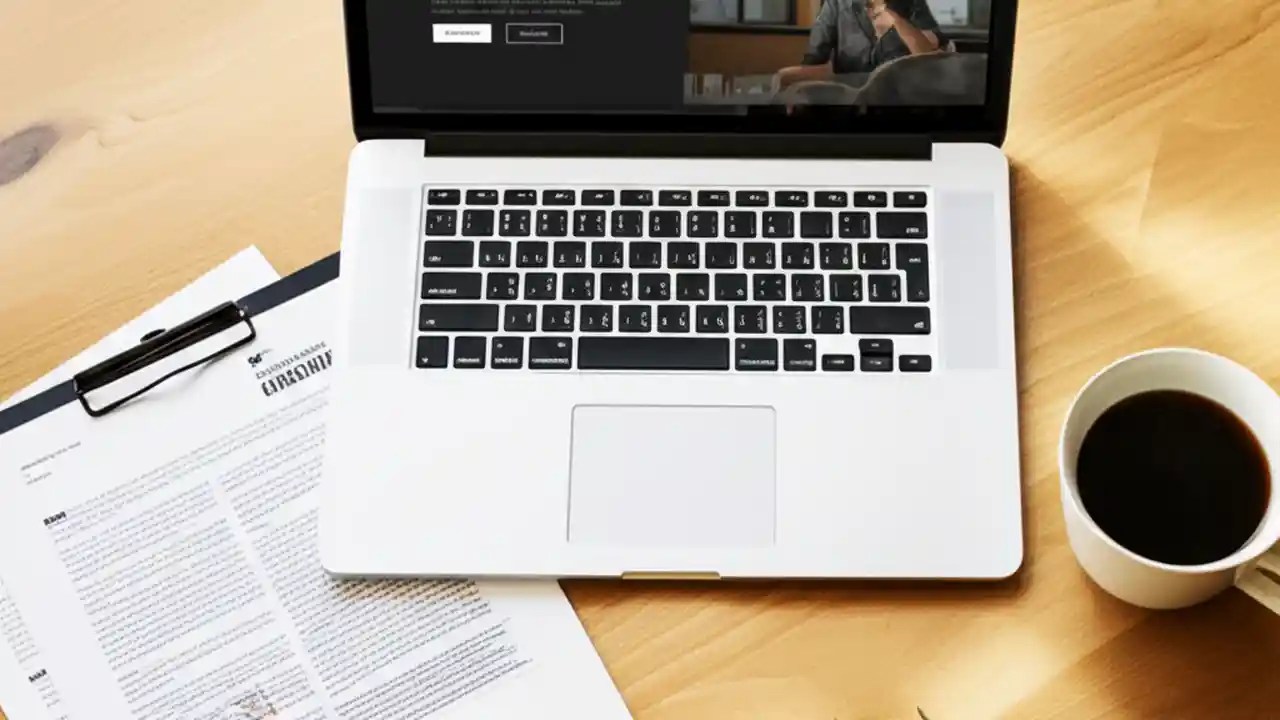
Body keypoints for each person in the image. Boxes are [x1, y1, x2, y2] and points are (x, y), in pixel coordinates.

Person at [774, 0, 945, 91]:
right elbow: (814, 61)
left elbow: (927, 55)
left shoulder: (912, 3)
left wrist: (895, 20)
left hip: (899, 104)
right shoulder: (836, 4)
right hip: (850, 104)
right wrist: (787, 79)